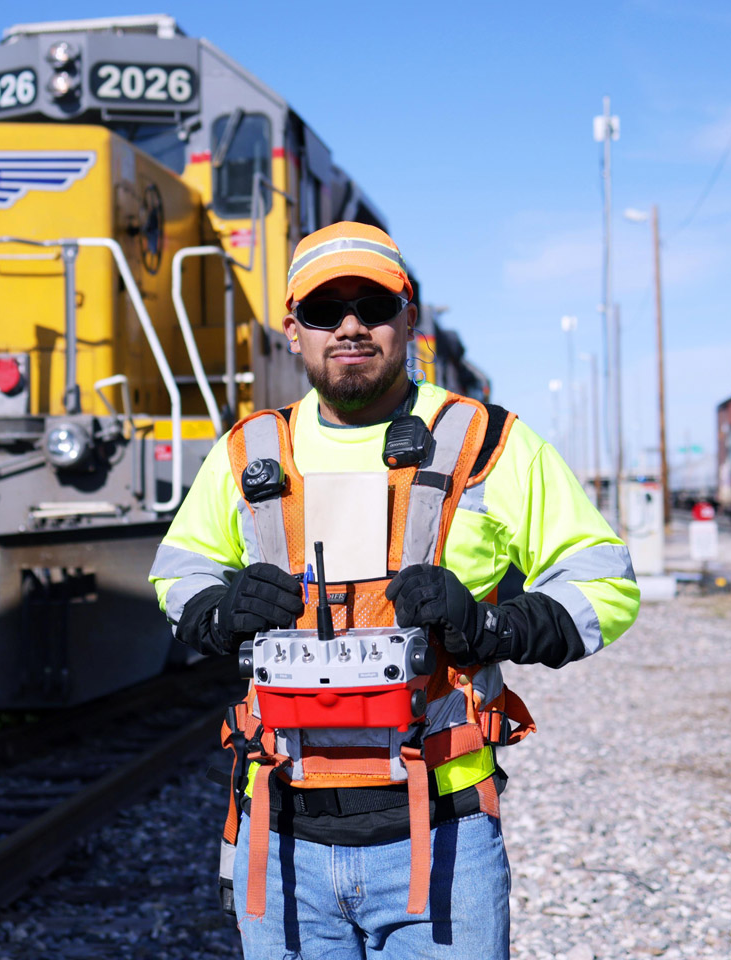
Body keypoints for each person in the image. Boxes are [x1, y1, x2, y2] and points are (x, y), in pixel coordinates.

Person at [149, 221, 639, 958]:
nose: (350, 326)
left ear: (409, 319)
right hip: (280, 842)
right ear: (292, 330)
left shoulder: (485, 443)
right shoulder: (248, 452)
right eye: (324, 310)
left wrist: (491, 628)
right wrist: (219, 611)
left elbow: (605, 581)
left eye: (373, 305)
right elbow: (178, 571)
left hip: (442, 839)